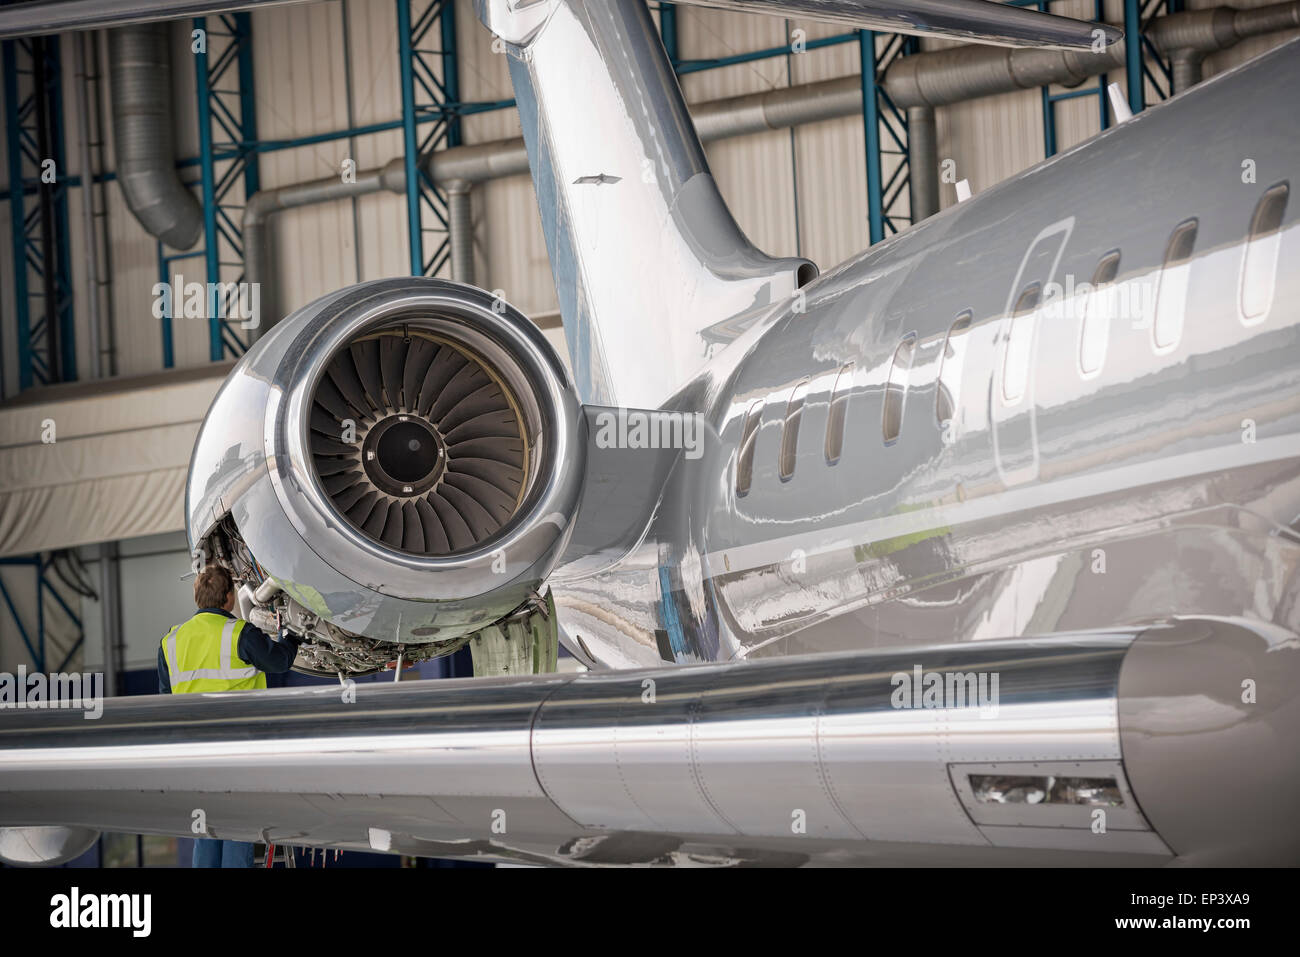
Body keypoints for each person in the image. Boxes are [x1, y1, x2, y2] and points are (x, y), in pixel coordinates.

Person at [158, 563, 301, 868]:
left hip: (193, 756)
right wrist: (293, 637)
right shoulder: (239, 633)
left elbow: (164, 702)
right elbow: (279, 661)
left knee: (206, 829)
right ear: (228, 597)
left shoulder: (170, 641)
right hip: (239, 752)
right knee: (239, 826)